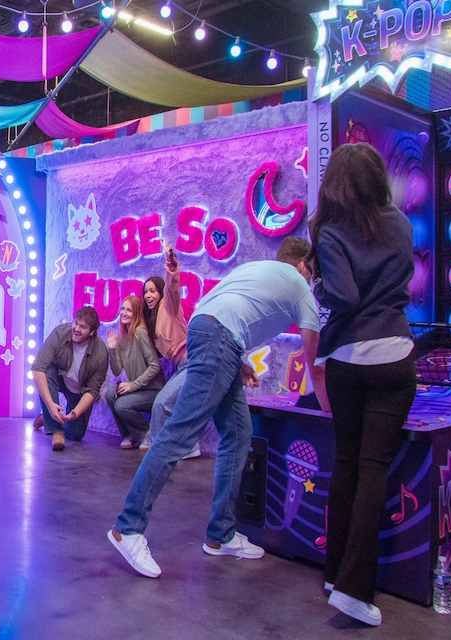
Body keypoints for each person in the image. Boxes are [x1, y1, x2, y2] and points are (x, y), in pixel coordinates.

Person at [108, 237, 330, 578]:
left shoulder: (255, 270)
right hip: (220, 341)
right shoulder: (300, 287)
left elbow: (217, 315)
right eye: (312, 271)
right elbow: (317, 365)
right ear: (303, 266)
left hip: (210, 334)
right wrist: (330, 415)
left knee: (239, 434)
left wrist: (235, 361)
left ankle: (221, 534)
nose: (311, 279)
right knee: (180, 433)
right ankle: (128, 527)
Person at [308, 143, 416, 627]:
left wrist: (320, 286)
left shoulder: (331, 232)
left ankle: (338, 578)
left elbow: (345, 297)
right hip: (394, 355)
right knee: (373, 469)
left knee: (347, 465)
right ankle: (354, 587)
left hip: (348, 360)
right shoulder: (401, 224)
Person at [143, 243, 200, 459]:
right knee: (175, 408)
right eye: (145, 292)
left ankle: (158, 454)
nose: (148, 295)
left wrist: (171, 265)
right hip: (182, 367)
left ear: (160, 292)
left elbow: (172, 288)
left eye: (152, 290)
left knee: (161, 404)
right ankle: (189, 447)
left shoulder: (169, 306)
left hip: (193, 363)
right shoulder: (152, 319)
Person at [31, 306, 108, 451]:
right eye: (76, 323)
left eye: (83, 327)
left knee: (76, 434)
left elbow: (92, 391)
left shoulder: (101, 353)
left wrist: (76, 412)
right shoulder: (60, 333)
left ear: (92, 332)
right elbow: (37, 368)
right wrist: (50, 405)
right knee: (47, 370)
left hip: (79, 390)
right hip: (59, 378)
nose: (77, 329)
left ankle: (47, 418)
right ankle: (56, 430)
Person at [106, 295, 165, 449]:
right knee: (110, 394)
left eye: (129, 310)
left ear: (137, 313)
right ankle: (129, 435)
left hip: (154, 391)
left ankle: (147, 434)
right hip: (139, 389)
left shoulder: (140, 332)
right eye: (122, 309)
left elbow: (155, 366)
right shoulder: (122, 338)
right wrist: (112, 349)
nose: (124, 313)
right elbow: (117, 371)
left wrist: (133, 385)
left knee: (121, 405)